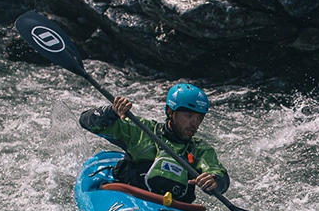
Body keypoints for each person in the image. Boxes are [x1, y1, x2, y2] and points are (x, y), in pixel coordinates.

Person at [79, 82, 230, 204]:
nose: (194, 124)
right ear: (170, 112)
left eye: (199, 118)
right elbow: (86, 122)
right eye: (188, 115)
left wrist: (214, 181)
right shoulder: (141, 131)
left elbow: (218, 173)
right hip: (130, 200)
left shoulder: (200, 150)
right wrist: (111, 111)